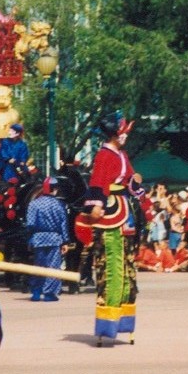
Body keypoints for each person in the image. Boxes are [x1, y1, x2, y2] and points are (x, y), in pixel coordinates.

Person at [82, 111, 142, 346]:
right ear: (114, 134)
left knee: (127, 267)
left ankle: (124, 321)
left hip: (125, 212)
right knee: (111, 267)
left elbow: (129, 181)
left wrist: (135, 183)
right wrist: (95, 206)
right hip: (110, 213)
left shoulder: (122, 154)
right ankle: (107, 324)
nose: (126, 136)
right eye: (123, 132)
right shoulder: (104, 155)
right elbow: (97, 182)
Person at [26, 176, 70, 301]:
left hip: (38, 238)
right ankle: (49, 293)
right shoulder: (59, 205)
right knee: (53, 266)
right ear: (54, 189)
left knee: (39, 265)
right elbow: (63, 225)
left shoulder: (34, 204)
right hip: (54, 238)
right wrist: (65, 241)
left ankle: (36, 291)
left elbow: (30, 224)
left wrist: (30, 238)